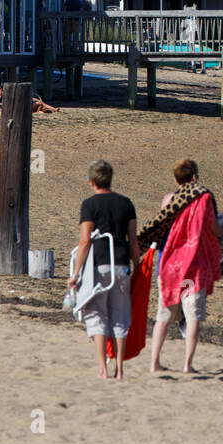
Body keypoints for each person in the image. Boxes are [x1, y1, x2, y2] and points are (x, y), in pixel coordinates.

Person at [143, 159, 223, 373]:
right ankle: (187, 364)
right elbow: (213, 227)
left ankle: (154, 363)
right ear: (195, 176)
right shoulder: (204, 198)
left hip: (169, 265)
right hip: (193, 267)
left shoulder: (169, 199)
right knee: (193, 313)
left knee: (164, 315)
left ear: (175, 179)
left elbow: (161, 225)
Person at [70, 160, 140, 380]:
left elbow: (84, 241)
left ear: (91, 182)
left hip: (98, 265)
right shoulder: (126, 203)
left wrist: (75, 273)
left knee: (97, 314)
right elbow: (134, 240)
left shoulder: (89, 205)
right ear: (110, 179)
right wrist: (137, 266)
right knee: (120, 315)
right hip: (121, 264)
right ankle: (120, 368)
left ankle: (103, 368)